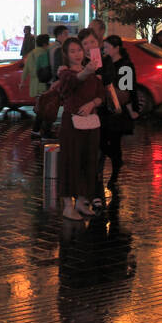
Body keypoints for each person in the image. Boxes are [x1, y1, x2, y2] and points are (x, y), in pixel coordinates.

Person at [56, 36, 104, 220]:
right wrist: (88, 71)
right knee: (71, 161)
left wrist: (92, 103)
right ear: (66, 55)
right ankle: (68, 206)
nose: (77, 54)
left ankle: (82, 202)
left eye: (79, 50)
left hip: (91, 123)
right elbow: (76, 80)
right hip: (73, 124)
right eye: (72, 51)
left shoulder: (90, 72)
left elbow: (101, 94)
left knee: (89, 161)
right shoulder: (65, 73)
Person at [99, 35, 139, 187]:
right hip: (107, 109)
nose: (105, 50)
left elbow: (127, 91)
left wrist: (132, 110)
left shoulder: (125, 66)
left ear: (116, 48)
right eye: (104, 48)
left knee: (114, 143)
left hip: (118, 111)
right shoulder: (106, 63)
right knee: (104, 141)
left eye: (108, 47)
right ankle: (116, 163)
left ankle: (115, 173)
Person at [25, 33, 52, 139]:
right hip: (43, 84)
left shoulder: (33, 52)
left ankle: (36, 131)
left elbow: (27, 68)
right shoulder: (44, 53)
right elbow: (45, 70)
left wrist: (22, 81)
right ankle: (39, 131)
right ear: (46, 43)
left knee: (41, 107)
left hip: (36, 84)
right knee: (44, 109)